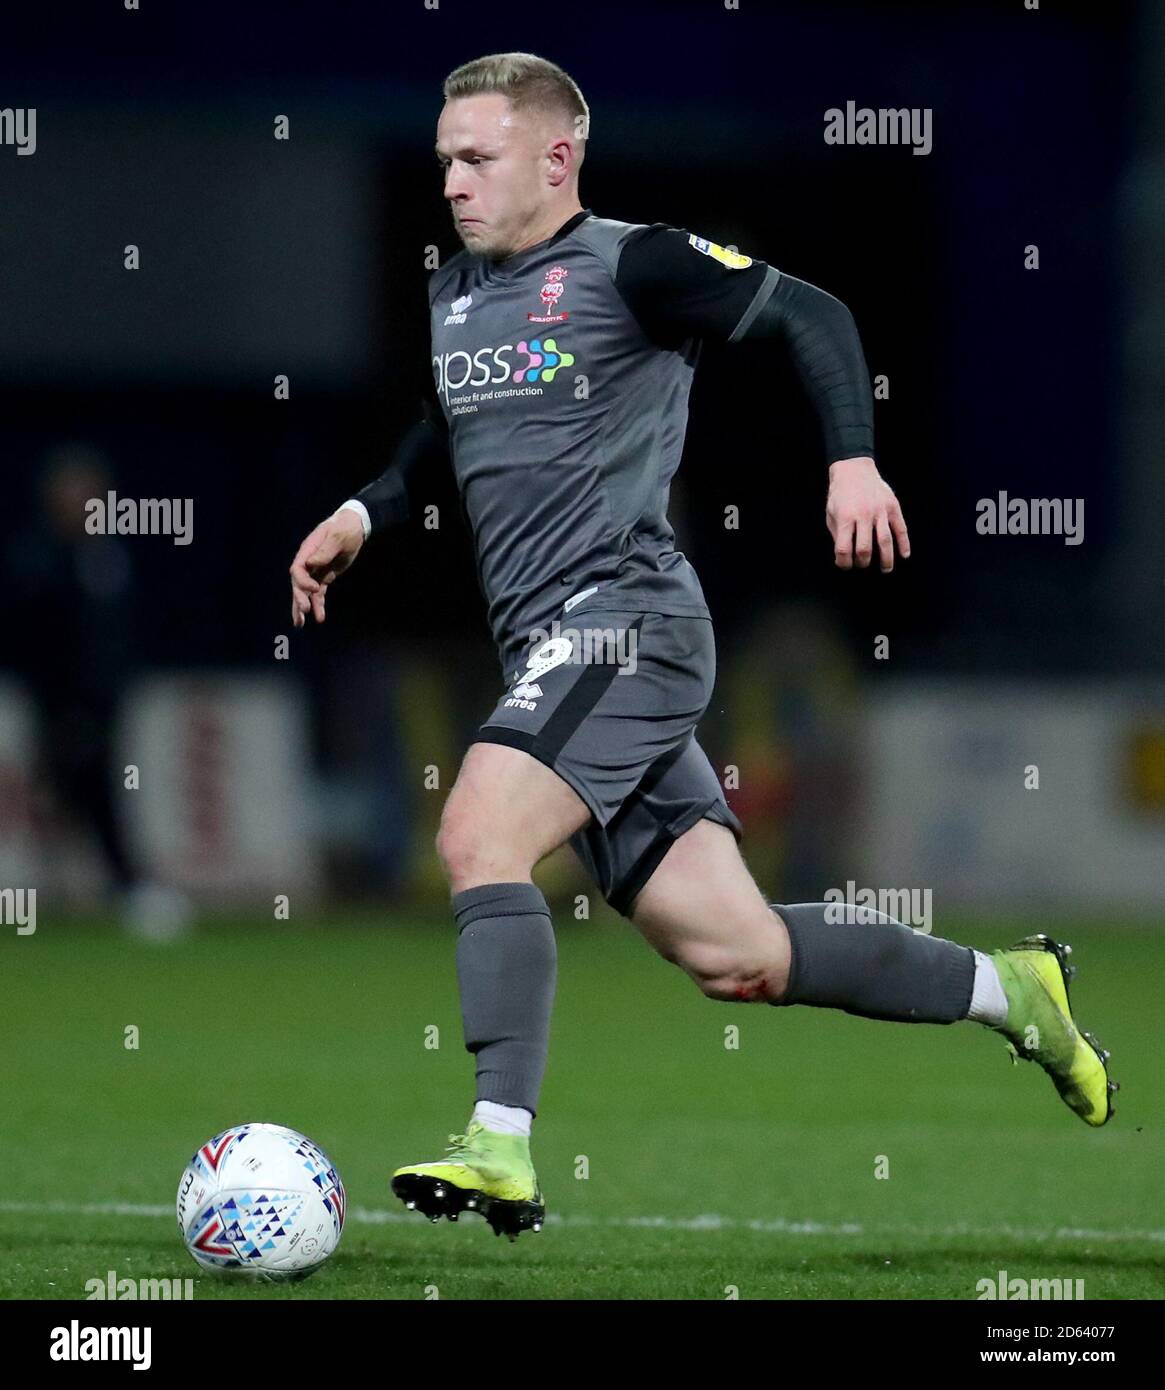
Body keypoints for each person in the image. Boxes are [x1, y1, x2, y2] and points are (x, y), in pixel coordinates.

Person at [288, 52, 1115, 1242]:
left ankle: (500, 1144)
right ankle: (1012, 991)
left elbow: (812, 314)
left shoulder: (637, 264)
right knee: (740, 953)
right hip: (554, 651)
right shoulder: (457, 291)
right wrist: (364, 509)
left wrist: (850, 459)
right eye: (444, 162)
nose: (454, 184)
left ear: (555, 157)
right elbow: (448, 414)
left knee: (477, 830)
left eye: (477, 158)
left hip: (626, 622)